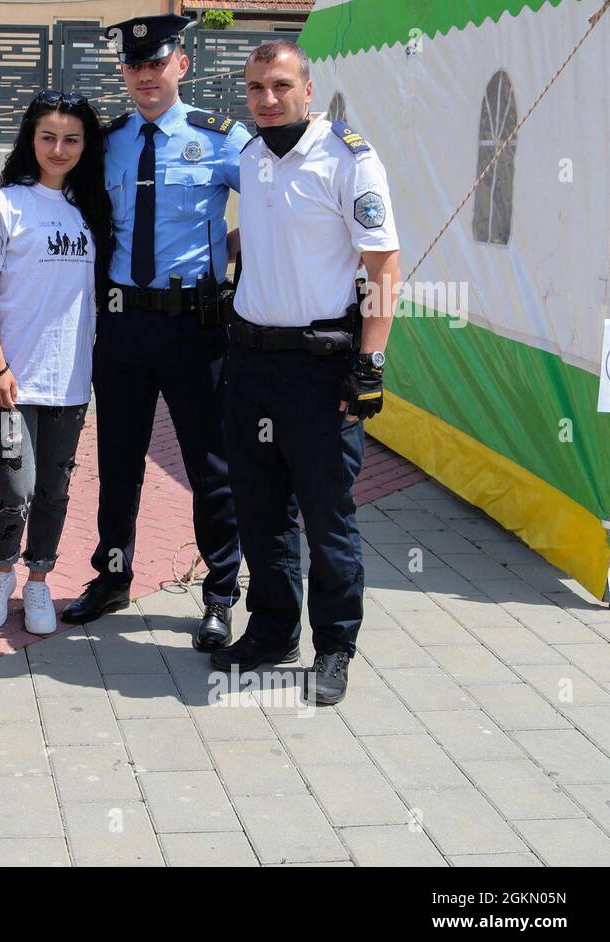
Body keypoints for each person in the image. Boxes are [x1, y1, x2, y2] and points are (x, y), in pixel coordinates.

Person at [212, 40, 400, 705]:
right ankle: (271, 629)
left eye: (281, 86)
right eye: (257, 87)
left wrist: (370, 363)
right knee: (260, 511)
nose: (268, 98)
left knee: (329, 518)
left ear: (308, 89)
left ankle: (336, 646)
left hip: (320, 372)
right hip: (252, 364)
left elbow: (383, 268)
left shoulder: (348, 157)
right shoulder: (250, 154)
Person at [61, 14, 249, 657]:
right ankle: (112, 576)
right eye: (134, 65)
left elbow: (278, 206)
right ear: (124, 73)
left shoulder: (222, 139)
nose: (145, 74)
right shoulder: (106, 143)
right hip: (121, 326)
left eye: (157, 62)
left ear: (181, 65)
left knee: (211, 465)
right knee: (116, 463)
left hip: (195, 328)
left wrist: (230, 252)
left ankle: (221, 594)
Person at [0, 90, 111, 635]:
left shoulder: (91, 206)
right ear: (31, 139)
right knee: (15, 486)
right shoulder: (2, 203)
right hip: (10, 380)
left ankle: (39, 579)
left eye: (71, 139)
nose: (59, 148)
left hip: (70, 382)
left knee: (54, 487)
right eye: (48, 136)